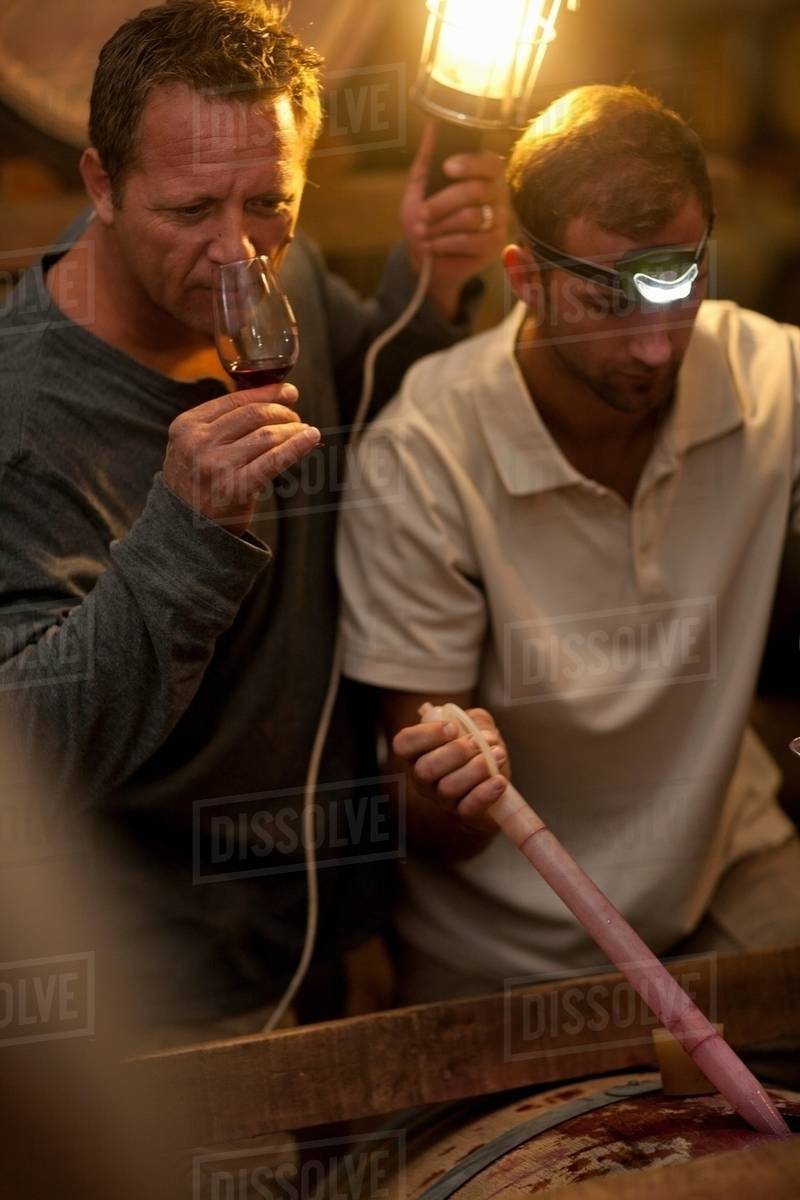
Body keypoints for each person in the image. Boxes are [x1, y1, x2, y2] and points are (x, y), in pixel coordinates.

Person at [0, 0, 509, 1034]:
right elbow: (30, 756)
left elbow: (363, 418)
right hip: (148, 990)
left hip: (320, 922)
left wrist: (431, 285)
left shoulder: (282, 274)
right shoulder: (24, 411)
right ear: (100, 183)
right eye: (190, 209)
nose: (236, 250)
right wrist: (184, 531)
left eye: (269, 201)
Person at [338, 84, 800, 1005]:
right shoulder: (422, 452)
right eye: (606, 299)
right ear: (524, 278)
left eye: (676, 283)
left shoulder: (770, 377)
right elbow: (433, 822)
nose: (656, 347)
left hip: (730, 876)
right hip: (505, 937)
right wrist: (455, 785)